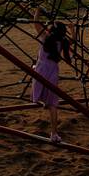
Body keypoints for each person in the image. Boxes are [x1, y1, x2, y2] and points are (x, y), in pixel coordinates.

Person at [30, 11, 72, 143]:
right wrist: (73, 30)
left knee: (34, 71)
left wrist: (38, 12)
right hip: (53, 72)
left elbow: (36, 23)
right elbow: (73, 41)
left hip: (40, 70)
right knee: (53, 104)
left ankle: (41, 99)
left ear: (51, 30)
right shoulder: (63, 42)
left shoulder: (45, 37)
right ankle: (54, 134)